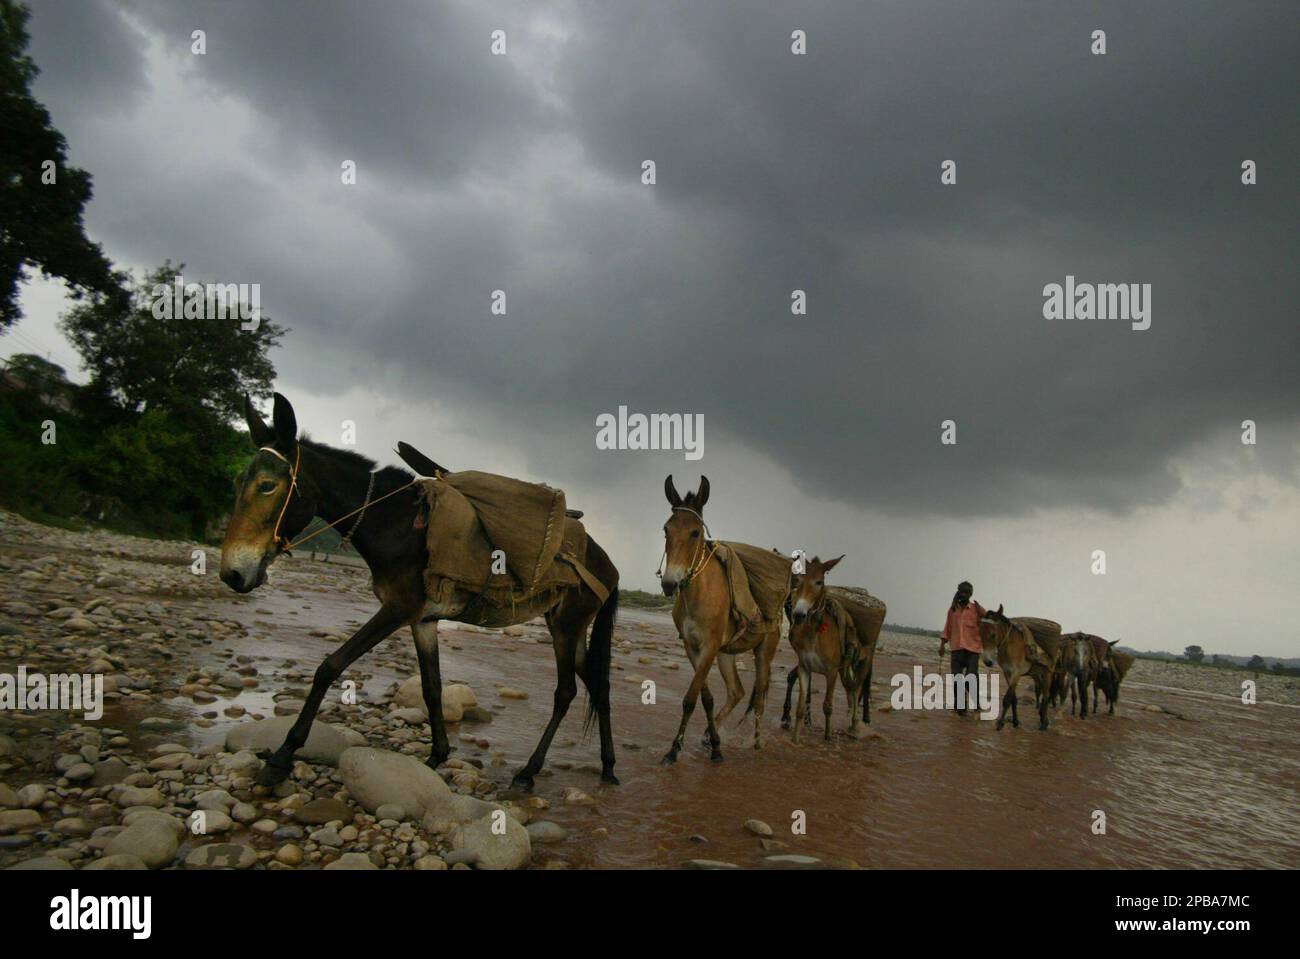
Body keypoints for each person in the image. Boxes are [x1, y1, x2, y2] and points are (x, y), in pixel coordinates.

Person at [939, 581, 985, 715]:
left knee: (971, 677)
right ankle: (960, 707)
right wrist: (942, 644)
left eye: (967, 593)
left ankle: (976, 704)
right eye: (962, 592)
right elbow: (947, 628)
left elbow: (988, 619)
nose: (964, 595)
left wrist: (981, 609)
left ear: (970, 594)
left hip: (973, 650)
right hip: (956, 650)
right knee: (956, 678)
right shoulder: (952, 610)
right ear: (959, 592)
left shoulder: (976, 609)